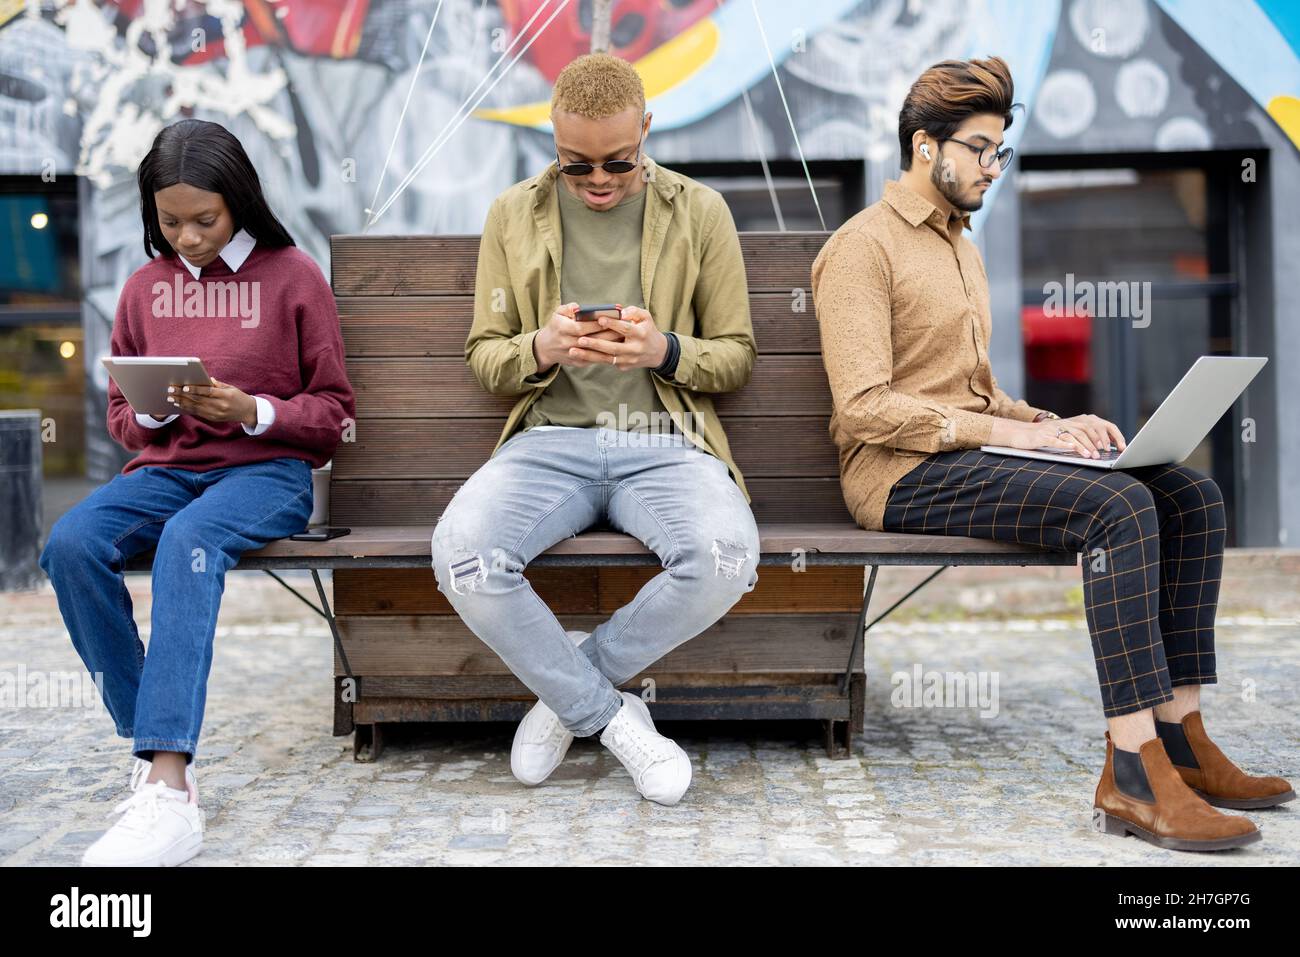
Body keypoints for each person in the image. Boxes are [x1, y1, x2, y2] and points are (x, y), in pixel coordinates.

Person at [811, 56, 1292, 851]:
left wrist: (1051, 421)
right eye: (979, 149)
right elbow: (865, 408)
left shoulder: (961, 245)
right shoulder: (863, 249)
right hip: (896, 475)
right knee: (1119, 507)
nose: (993, 168)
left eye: (1001, 151)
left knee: (1191, 496)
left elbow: (976, 391)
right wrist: (1016, 435)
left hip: (963, 457)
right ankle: (1133, 771)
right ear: (926, 147)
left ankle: (1183, 738)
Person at [431, 53, 760, 806]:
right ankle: (613, 721)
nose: (599, 181)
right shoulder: (514, 213)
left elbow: (736, 355)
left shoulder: (699, 211)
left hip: (666, 443)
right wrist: (540, 347)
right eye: (576, 166)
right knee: (463, 554)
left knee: (727, 555)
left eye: (619, 161)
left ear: (647, 128)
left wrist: (664, 349)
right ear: (553, 139)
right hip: (549, 442)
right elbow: (485, 355)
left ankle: (568, 689)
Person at [39, 118, 356, 866]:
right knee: (70, 544)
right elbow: (125, 421)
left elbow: (334, 415)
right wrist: (156, 406)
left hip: (265, 473)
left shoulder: (293, 275)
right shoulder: (145, 288)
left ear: (238, 199)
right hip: (166, 469)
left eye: (203, 218)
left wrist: (249, 410)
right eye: (169, 220)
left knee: (189, 544)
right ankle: (152, 747)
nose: (186, 235)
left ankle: (171, 792)